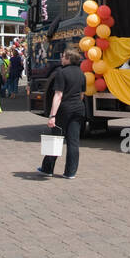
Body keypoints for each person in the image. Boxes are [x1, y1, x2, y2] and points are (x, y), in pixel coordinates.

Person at [38, 47, 85, 179]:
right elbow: (82, 94)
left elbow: (58, 95)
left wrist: (52, 115)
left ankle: (47, 169)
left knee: (55, 139)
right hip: (78, 109)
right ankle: (70, 172)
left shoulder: (61, 73)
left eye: (63, 56)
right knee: (73, 142)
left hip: (64, 109)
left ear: (68, 59)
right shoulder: (82, 73)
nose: (61, 58)